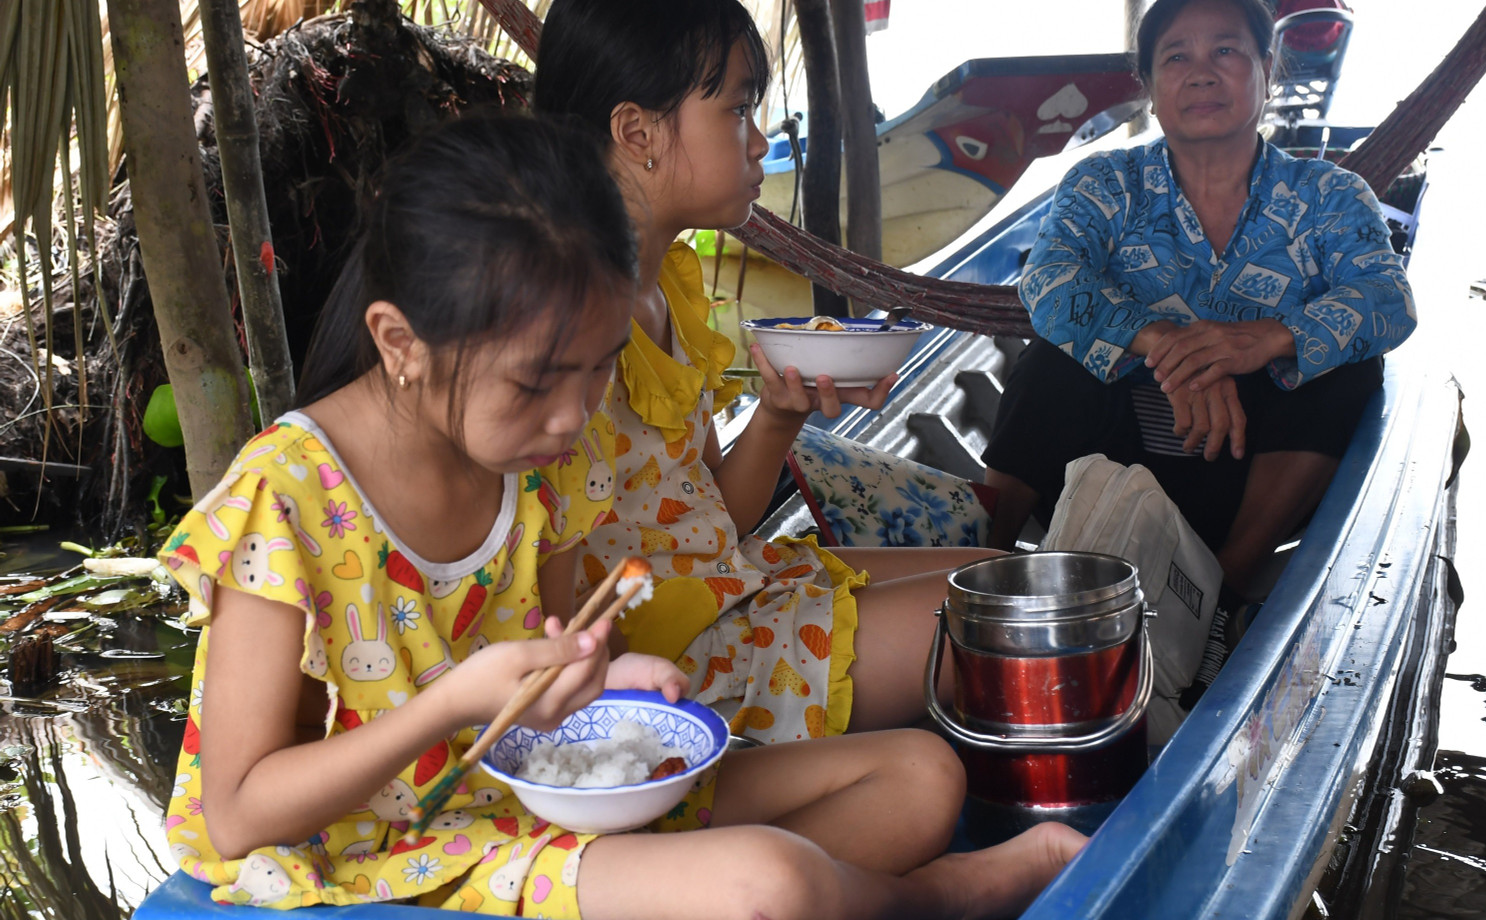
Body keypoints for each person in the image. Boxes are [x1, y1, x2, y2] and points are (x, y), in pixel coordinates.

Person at [159, 113, 1083, 918]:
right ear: (400, 341)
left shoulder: (536, 466)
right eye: (536, 381)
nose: (572, 418)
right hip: (385, 849)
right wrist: (454, 701)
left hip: (527, 802)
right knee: (767, 888)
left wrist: (601, 685)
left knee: (921, 781)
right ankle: (938, 900)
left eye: (598, 367)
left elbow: (540, 674)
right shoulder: (287, 496)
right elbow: (239, 811)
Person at [533, 0, 995, 746]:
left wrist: (780, 413)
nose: (758, 142)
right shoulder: (564, 326)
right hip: (679, 658)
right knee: (1000, 620)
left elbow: (714, 516)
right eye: (738, 110)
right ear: (637, 132)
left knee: (995, 578)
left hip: (733, 585)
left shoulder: (669, 285)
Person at [981, 0, 1416, 613]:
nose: (1202, 74)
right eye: (1177, 57)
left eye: (1227, 52)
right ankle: (981, 563)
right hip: (1113, 458)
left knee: (1347, 370)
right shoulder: (1106, 182)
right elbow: (1048, 282)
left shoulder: (1328, 193)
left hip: (1260, 473)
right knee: (1051, 360)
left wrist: (1262, 341)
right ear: (1152, 91)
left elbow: (1387, 297)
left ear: (1267, 71)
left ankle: (1224, 593)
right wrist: (1169, 348)